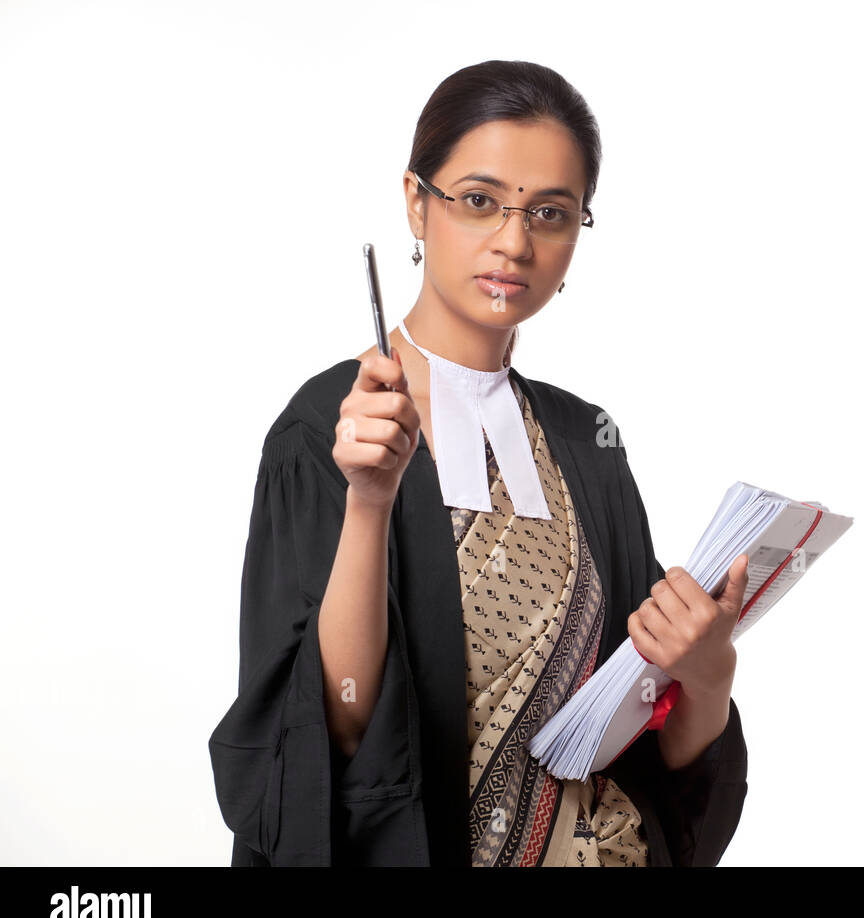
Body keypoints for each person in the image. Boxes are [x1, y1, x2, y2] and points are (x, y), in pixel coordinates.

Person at [208, 60, 749, 866]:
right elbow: (338, 728)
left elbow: (641, 747)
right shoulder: (326, 428)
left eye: (552, 213)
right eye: (479, 200)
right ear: (416, 203)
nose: (514, 240)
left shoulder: (586, 439)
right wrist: (368, 502)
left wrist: (706, 676)